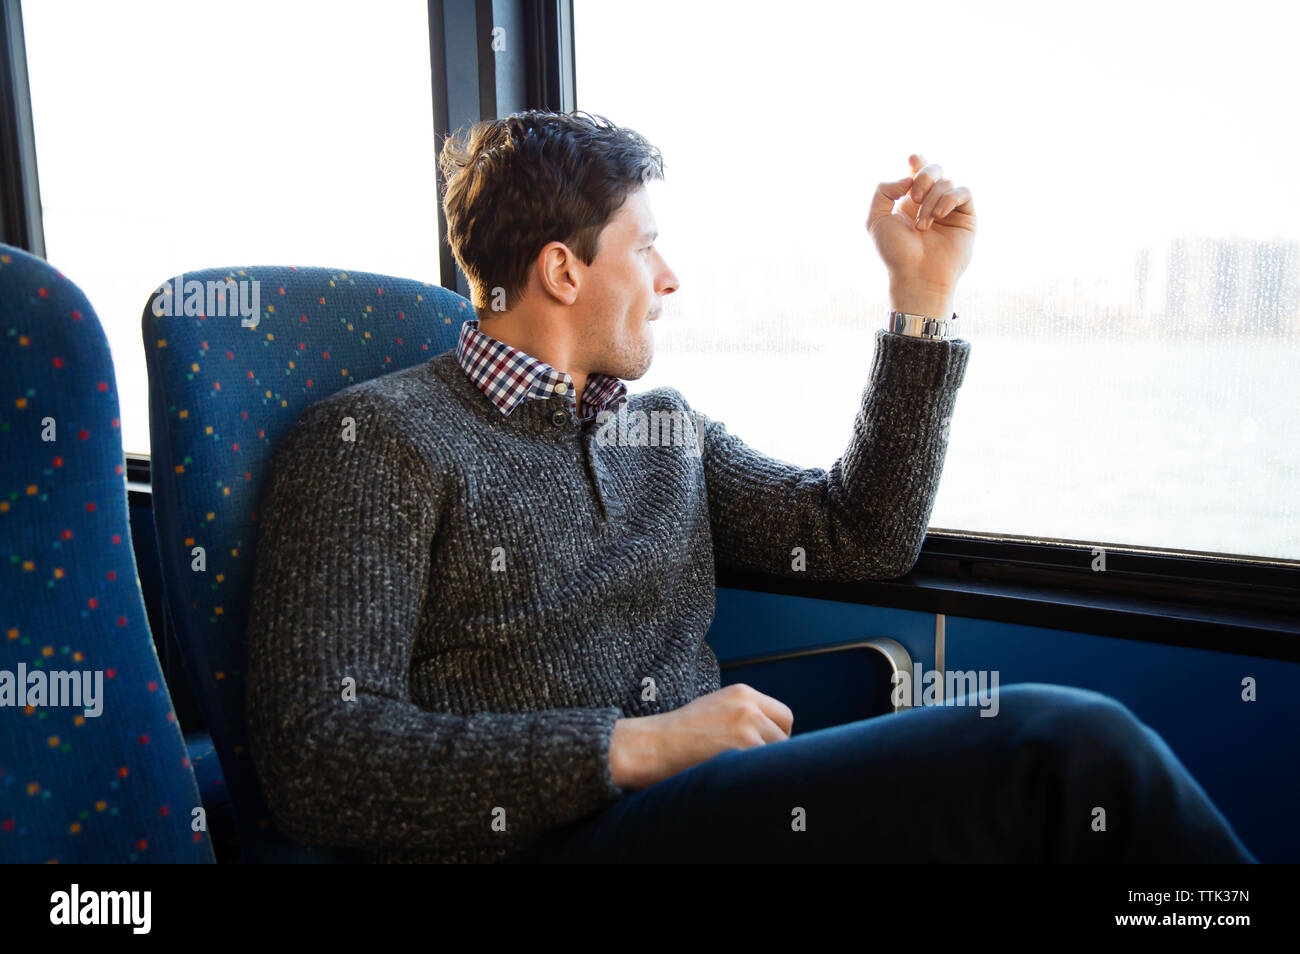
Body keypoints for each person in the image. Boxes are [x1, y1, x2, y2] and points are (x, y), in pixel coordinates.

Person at [244, 109, 1256, 863]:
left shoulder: (663, 431)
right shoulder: (373, 442)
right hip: (545, 847)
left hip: (714, 814)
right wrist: (634, 747)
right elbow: (319, 758)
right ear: (561, 270)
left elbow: (857, 536)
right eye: (647, 247)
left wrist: (920, 301)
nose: (670, 278)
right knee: (1064, 748)